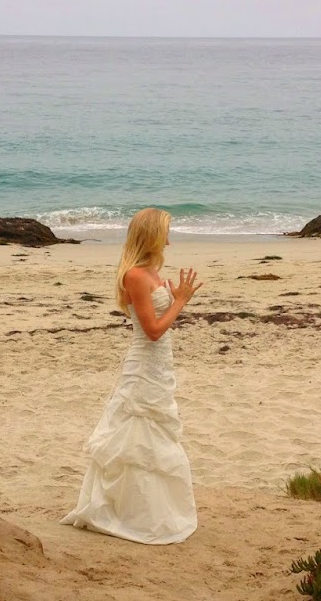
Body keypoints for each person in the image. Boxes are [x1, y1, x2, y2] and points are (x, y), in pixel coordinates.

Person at [60, 207, 203, 544]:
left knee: (153, 437)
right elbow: (153, 330)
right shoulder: (136, 276)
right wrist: (180, 301)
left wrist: (174, 296)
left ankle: (146, 510)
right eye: (165, 232)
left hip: (159, 363)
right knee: (134, 433)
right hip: (144, 363)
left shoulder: (152, 273)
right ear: (151, 235)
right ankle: (125, 513)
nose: (169, 239)